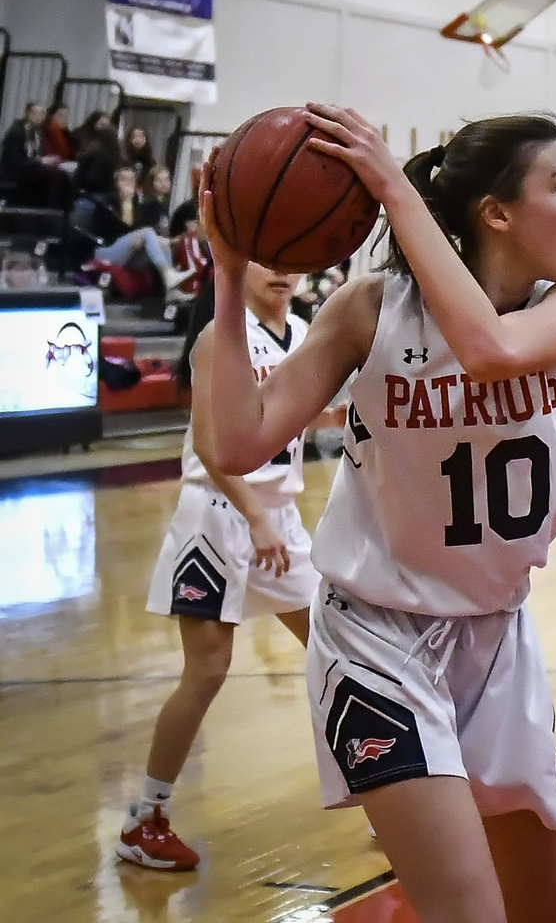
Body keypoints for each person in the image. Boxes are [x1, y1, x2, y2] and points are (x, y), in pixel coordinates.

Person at [198, 105, 556, 923]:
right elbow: (240, 442)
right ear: (495, 212)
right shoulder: (369, 310)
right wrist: (226, 271)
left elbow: (488, 345)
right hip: (375, 641)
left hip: (497, 640)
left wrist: (395, 191)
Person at [116, 267, 337, 870]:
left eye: (294, 260)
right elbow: (214, 446)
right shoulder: (221, 335)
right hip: (217, 516)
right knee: (208, 670)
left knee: (340, 653)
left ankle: (383, 790)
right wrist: (254, 518)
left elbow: (295, 417)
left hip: (279, 518)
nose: (285, 273)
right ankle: (145, 819)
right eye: (271, 259)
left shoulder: (303, 330)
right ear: (240, 263)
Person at [73, 166, 191, 294]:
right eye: (124, 180)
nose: (128, 183)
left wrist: (138, 236)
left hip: (130, 251)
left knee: (161, 245)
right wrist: (126, 203)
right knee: (147, 232)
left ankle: (171, 287)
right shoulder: (106, 203)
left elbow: (139, 231)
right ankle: (168, 274)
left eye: (132, 180)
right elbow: (112, 232)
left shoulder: (138, 206)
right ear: (117, 183)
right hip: (106, 249)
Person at [137, 166, 174, 236]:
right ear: (152, 183)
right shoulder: (147, 206)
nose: (164, 183)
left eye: (166, 179)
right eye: (159, 180)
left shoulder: (165, 205)